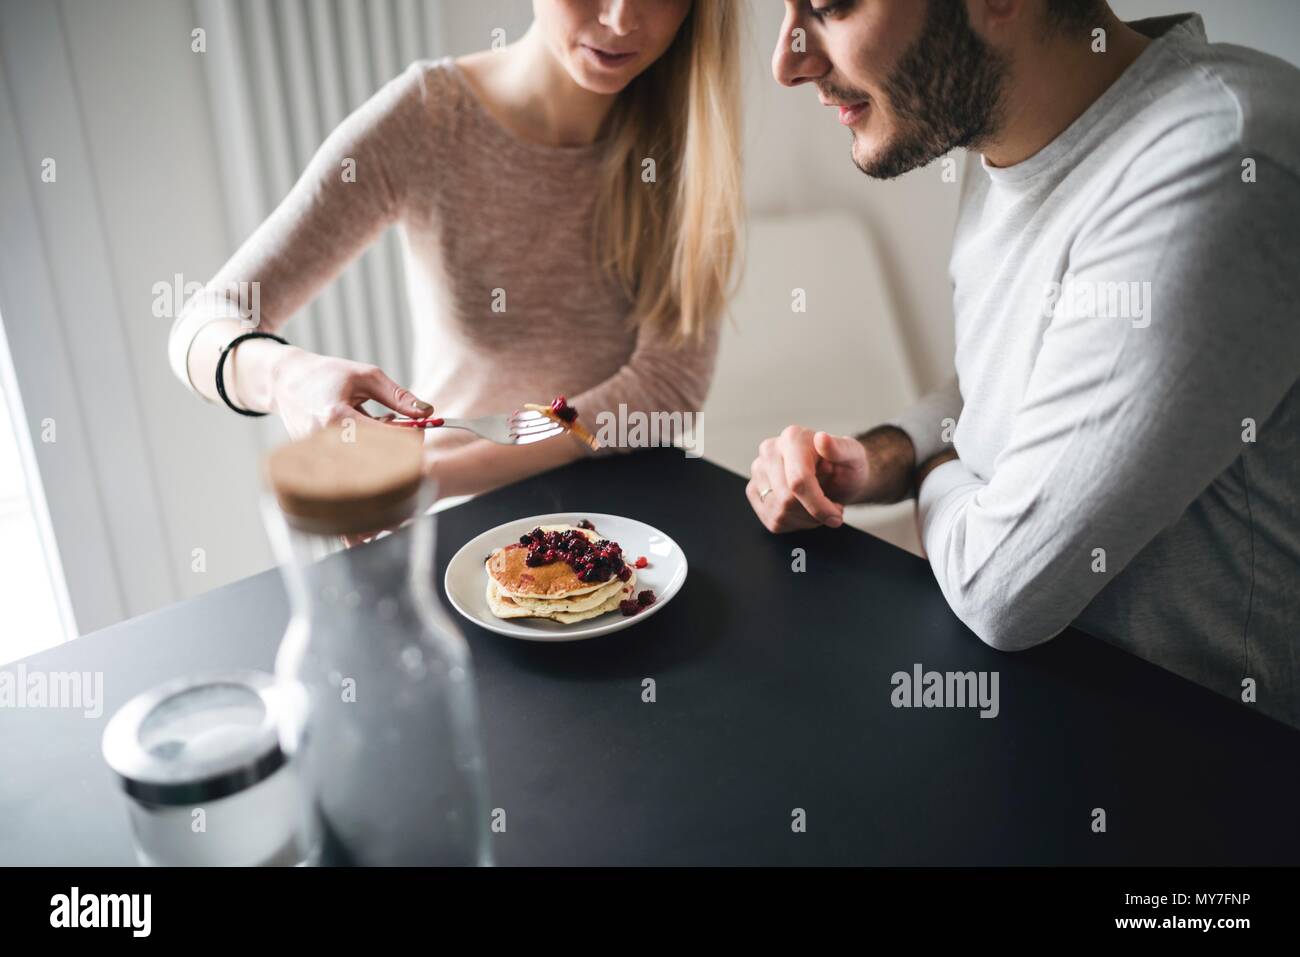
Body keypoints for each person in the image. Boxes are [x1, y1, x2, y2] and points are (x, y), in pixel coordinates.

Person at [749, 0, 1300, 727]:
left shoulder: (1221, 159)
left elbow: (999, 584)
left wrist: (927, 472)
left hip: (1211, 783)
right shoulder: (1006, 138)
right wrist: (876, 455)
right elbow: (1008, 383)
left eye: (828, 6)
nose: (788, 62)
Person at [168, 0, 742, 497]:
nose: (620, 18)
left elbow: (668, 390)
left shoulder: (690, 137)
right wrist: (286, 374)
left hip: (624, 526)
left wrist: (451, 469)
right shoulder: (429, 119)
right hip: (454, 530)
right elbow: (201, 323)